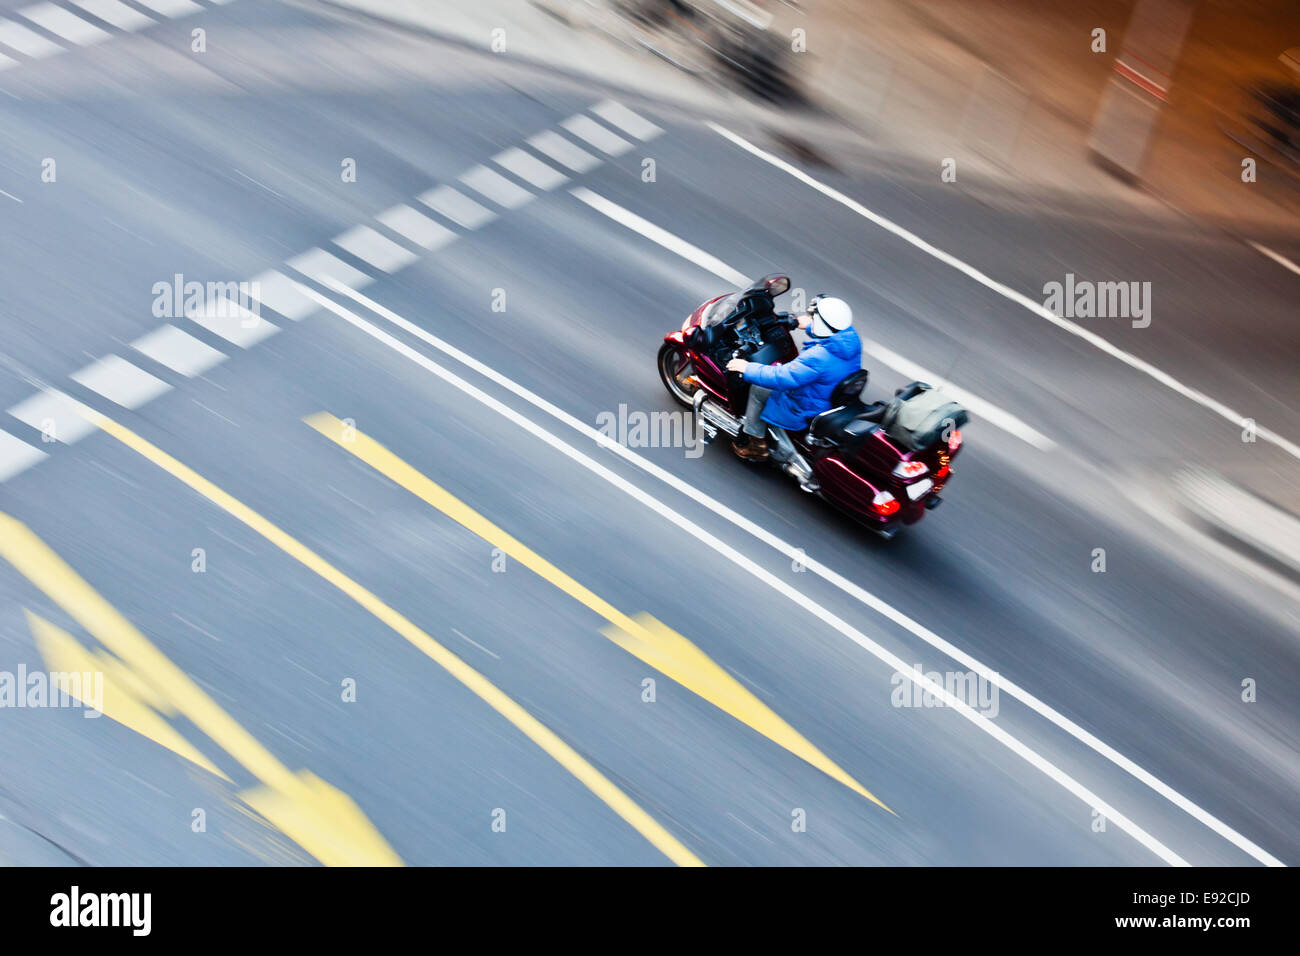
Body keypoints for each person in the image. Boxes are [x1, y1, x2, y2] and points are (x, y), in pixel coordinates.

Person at [725, 295, 860, 464]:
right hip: (828, 398)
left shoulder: (818, 357)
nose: (811, 319)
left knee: (758, 389)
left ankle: (755, 443)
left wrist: (746, 368)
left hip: (805, 407)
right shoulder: (850, 339)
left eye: (814, 318)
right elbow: (829, 336)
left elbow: (782, 378)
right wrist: (809, 325)